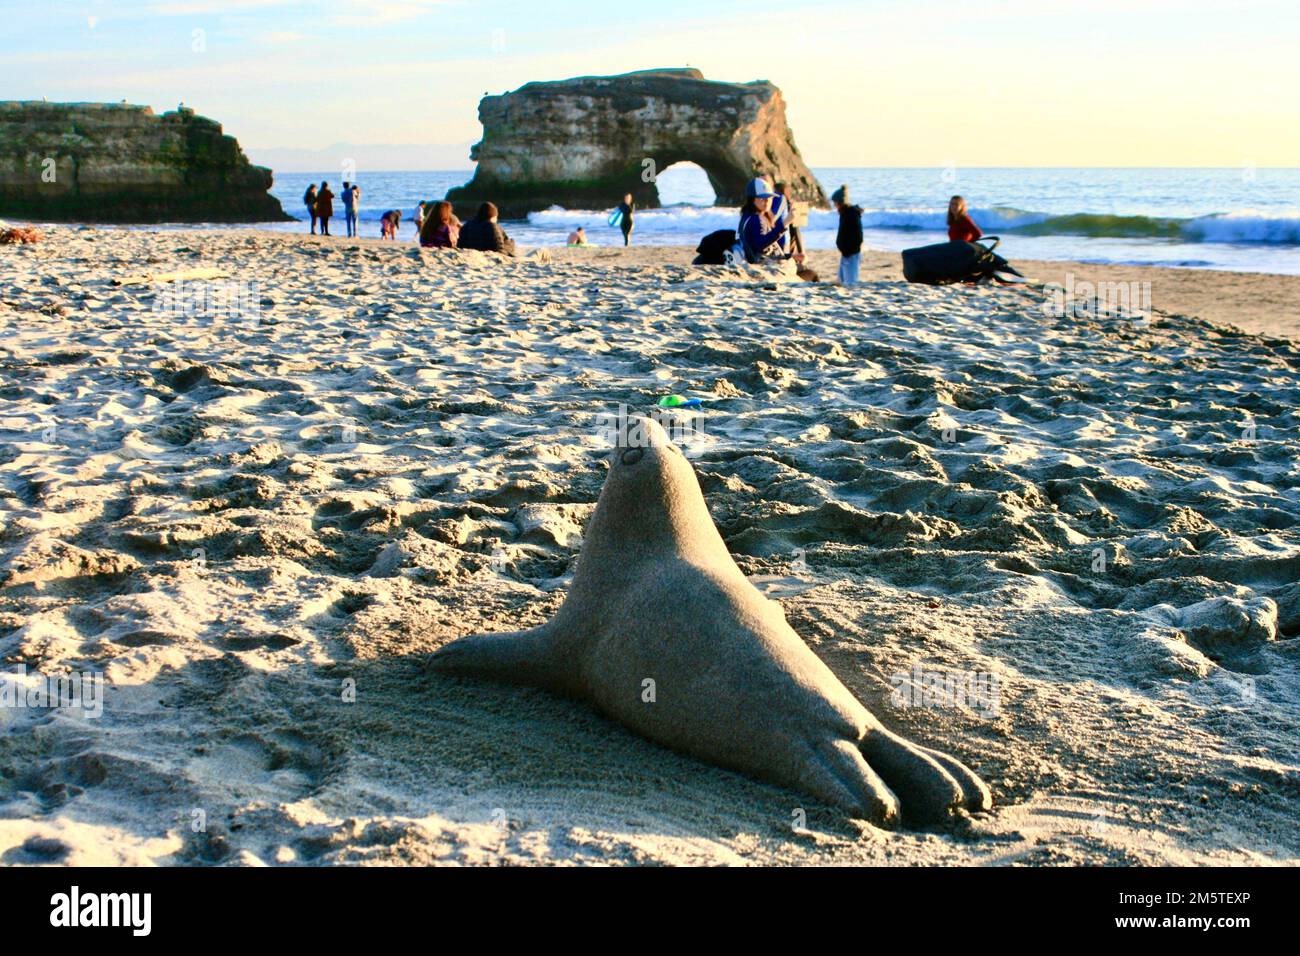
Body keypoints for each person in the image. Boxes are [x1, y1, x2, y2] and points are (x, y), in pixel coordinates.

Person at [737, 178, 788, 263]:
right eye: (762, 198)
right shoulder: (755, 219)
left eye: (770, 197)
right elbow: (761, 245)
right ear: (752, 200)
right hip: (762, 267)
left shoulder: (748, 216)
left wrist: (790, 256)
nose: (767, 201)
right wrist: (785, 223)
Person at [831, 184, 863, 286]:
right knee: (842, 280)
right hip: (846, 252)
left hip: (851, 252)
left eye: (835, 202)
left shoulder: (851, 215)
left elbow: (858, 236)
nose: (834, 204)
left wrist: (848, 250)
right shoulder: (845, 213)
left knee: (850, 281)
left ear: (840, 202)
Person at [775, 182, 805, 258]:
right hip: (789, 241)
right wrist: (801, 250)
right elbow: (798, 231)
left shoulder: (775, 206)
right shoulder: (795, 206)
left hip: (781, 241)